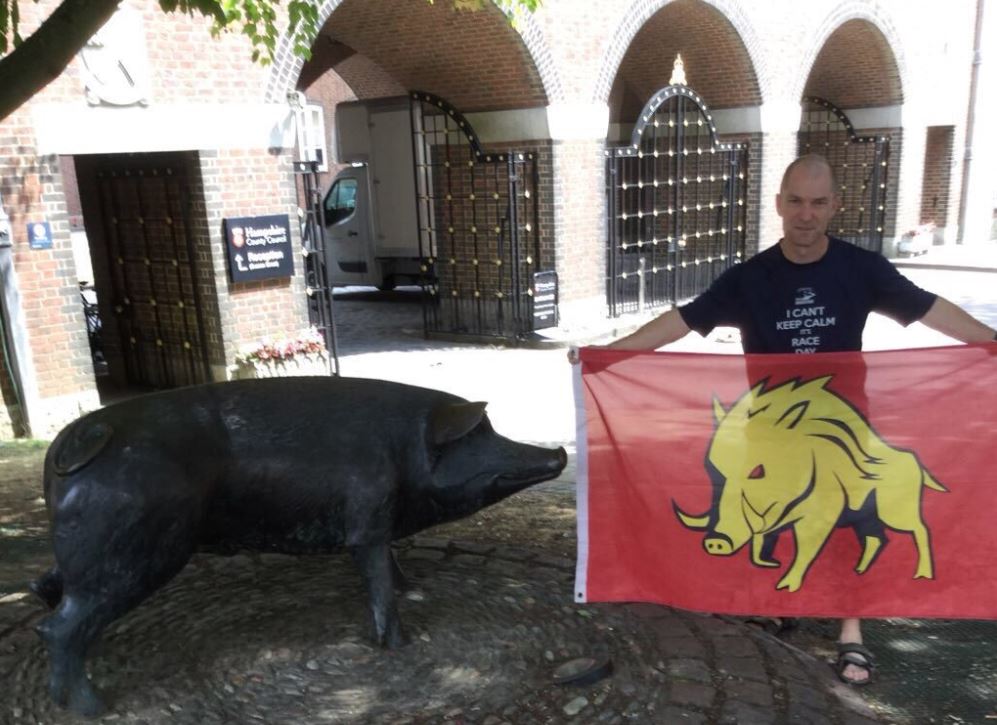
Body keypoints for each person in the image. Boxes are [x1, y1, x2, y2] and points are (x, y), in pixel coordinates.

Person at [571, 153, 997, 685]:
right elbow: (681, 322)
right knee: (768, 510)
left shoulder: (862, 269)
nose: (806, 214)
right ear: (778, 205)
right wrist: (606, 353)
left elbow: (929, 307)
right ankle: (780, 601)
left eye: (818, 202)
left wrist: (991, 342)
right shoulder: (748, 279)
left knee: (851, 519)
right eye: (795, 201)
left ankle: (851, 633)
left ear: (835, 207)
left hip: (842, 428)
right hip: (769, 432)